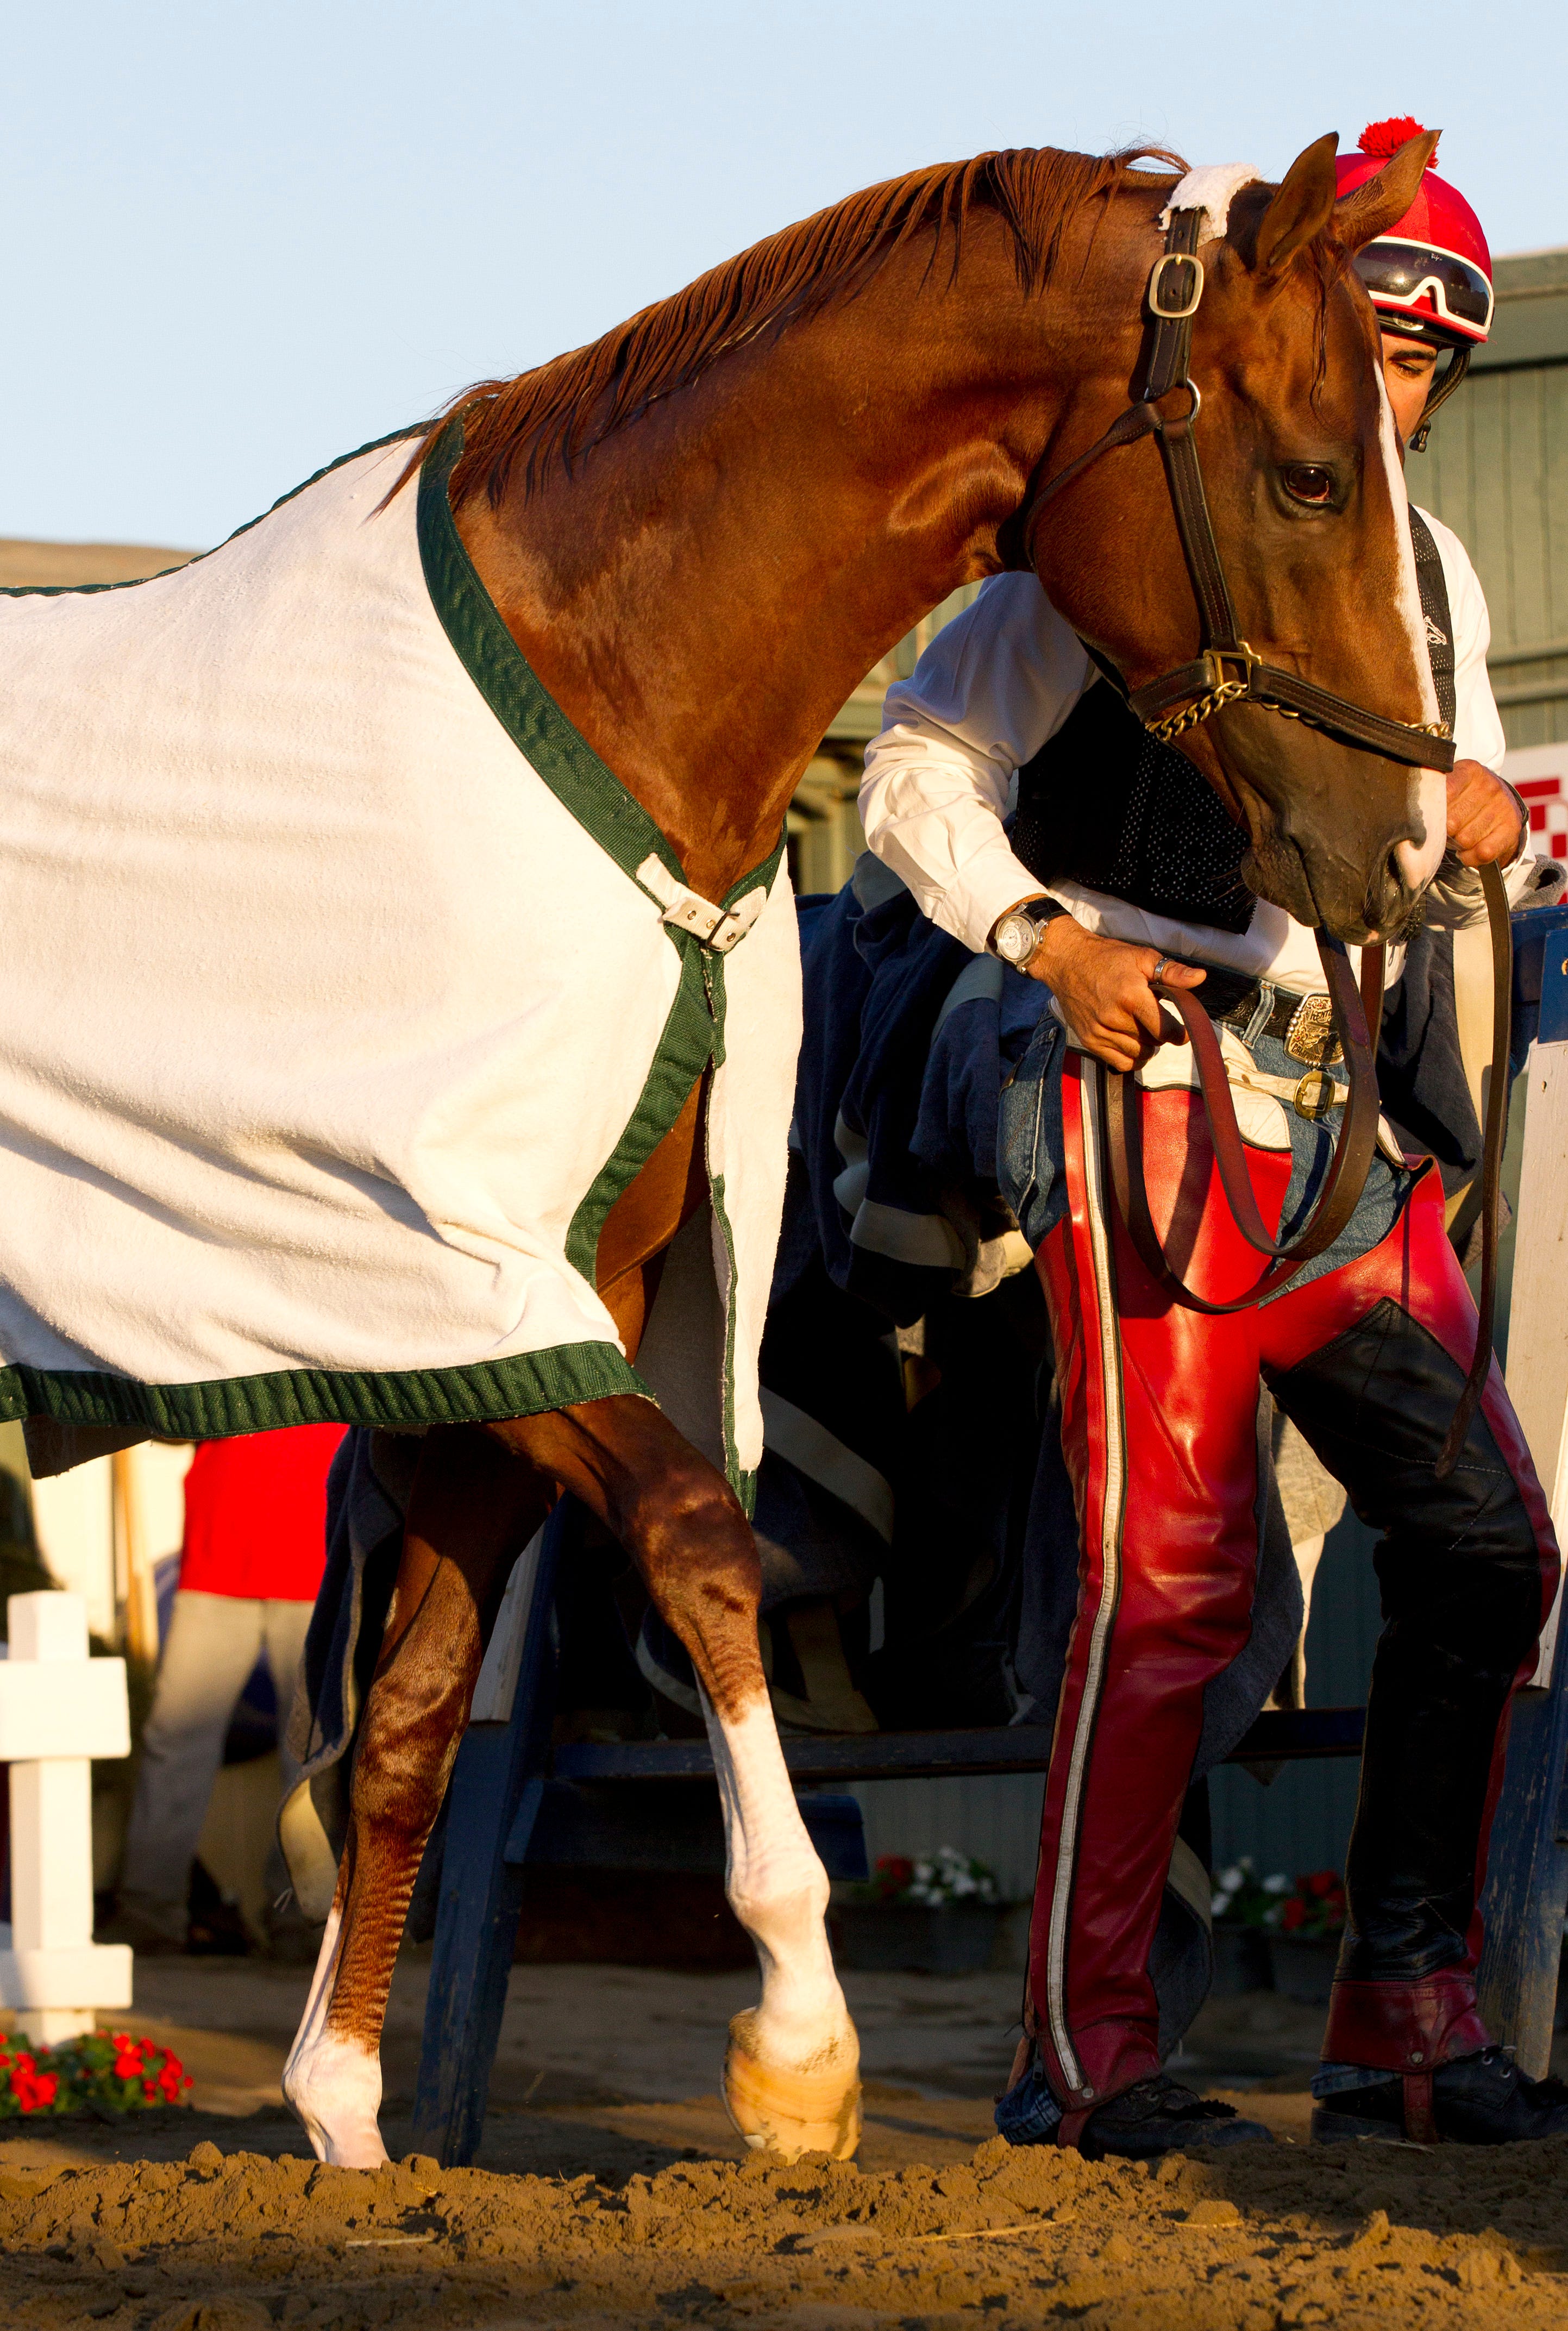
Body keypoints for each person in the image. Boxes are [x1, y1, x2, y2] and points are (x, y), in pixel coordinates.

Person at [859, 124, 1567, 2157]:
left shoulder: (1433, 574)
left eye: (1435, 351)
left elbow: (1433, 832)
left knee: (1487, 1546)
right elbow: (916, 767)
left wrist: (1485, 822)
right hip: (1141, 1076)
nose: (1404, 380)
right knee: (1161, 1587)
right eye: (1378, 332)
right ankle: (1084, 2055)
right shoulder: (1135, 531)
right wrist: (1041, 936)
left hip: (1344, 1110)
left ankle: (1399, 2015)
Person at [112, 1424, 344, 1954]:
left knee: (312, 1757)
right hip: (218, 1555)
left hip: (316, 1556)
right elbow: (165, 1414)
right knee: (175, 1745)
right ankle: (150, 1910)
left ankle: (301, 1918)